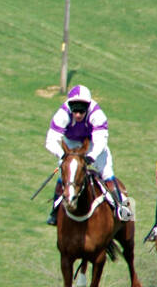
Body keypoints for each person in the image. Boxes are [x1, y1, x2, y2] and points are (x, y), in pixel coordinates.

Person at [44, 84, 129, 225]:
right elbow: (50, 141)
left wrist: (92, 156)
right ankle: (54, 212)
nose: (77, 115)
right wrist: (62, 155)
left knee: (107, 173)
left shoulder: (97, 114)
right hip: (70, 144)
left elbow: (100, 140)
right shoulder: (62, 113)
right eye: (74, 111)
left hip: (92, 144)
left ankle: (122, 208)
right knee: (65, 174)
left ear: (88, 107)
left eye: (81, 111)